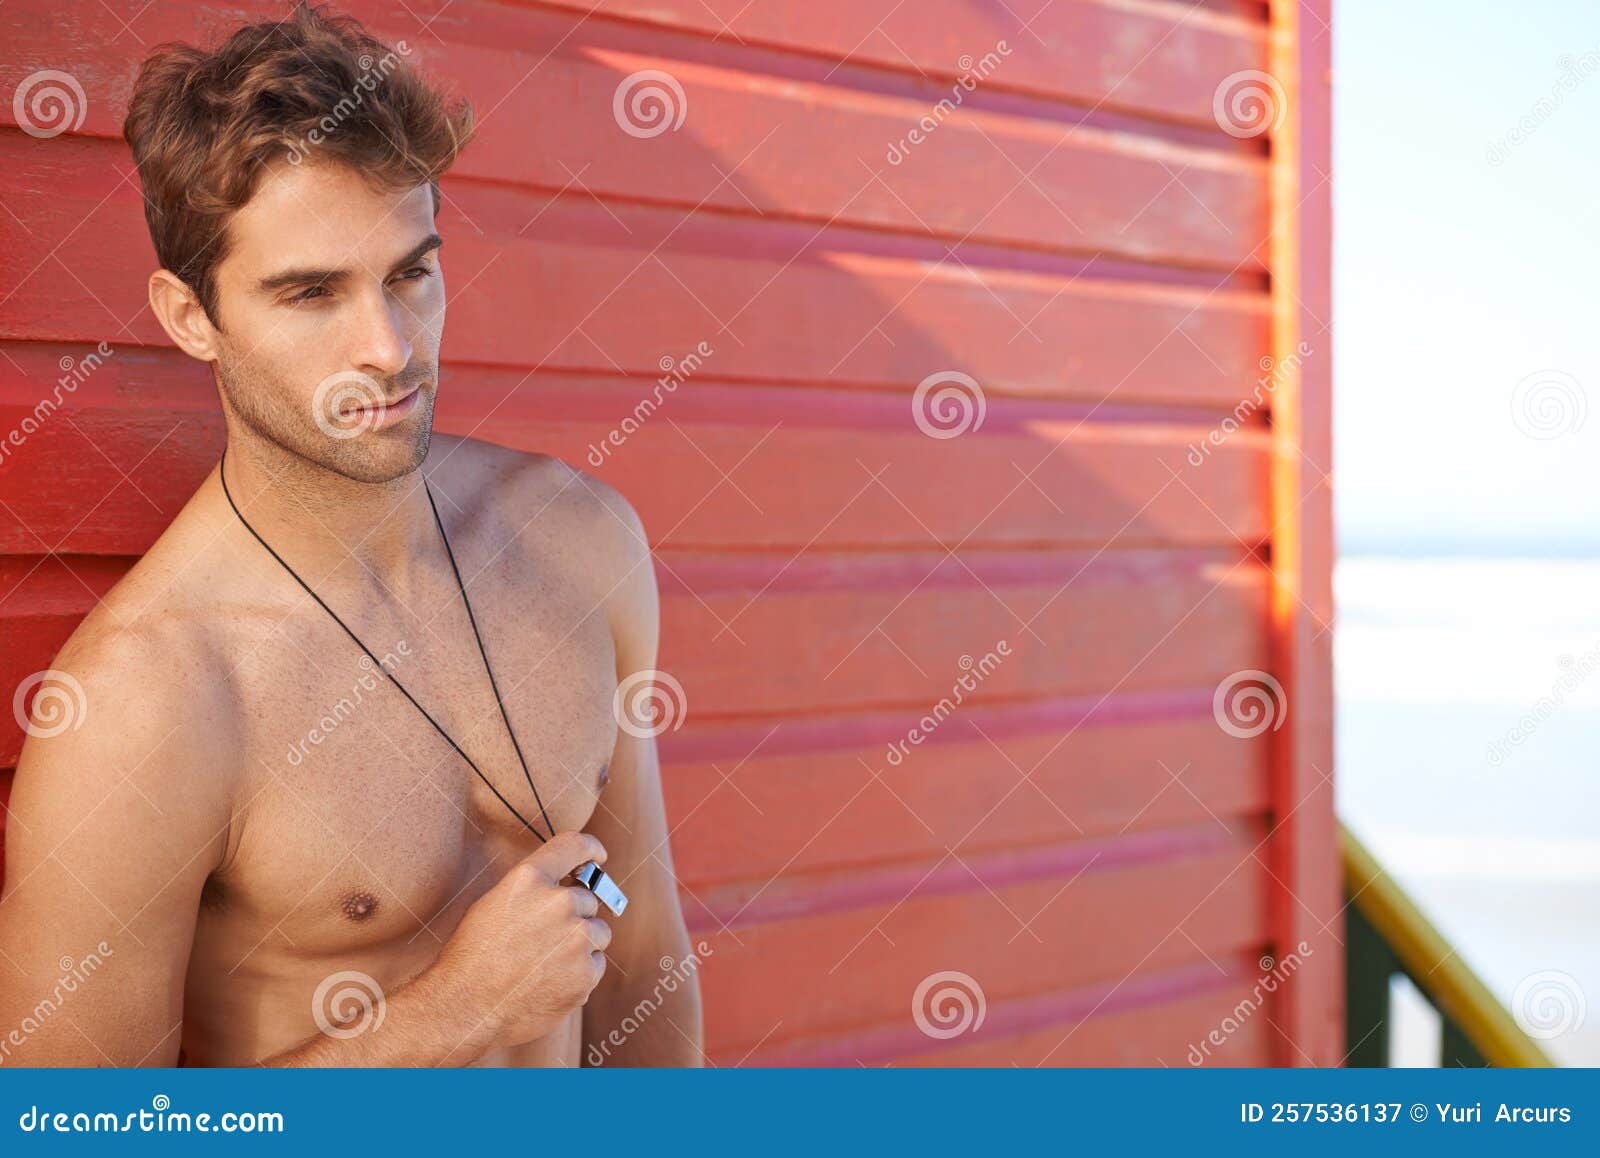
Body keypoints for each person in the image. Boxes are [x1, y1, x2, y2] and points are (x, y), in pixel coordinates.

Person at [0, 1, 701, 1067]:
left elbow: (645, 964)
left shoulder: (579, 542)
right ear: (191, 316)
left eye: (409, 273)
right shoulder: (150, 702)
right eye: (312, 292)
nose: (387, 347)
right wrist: (453, 1016)